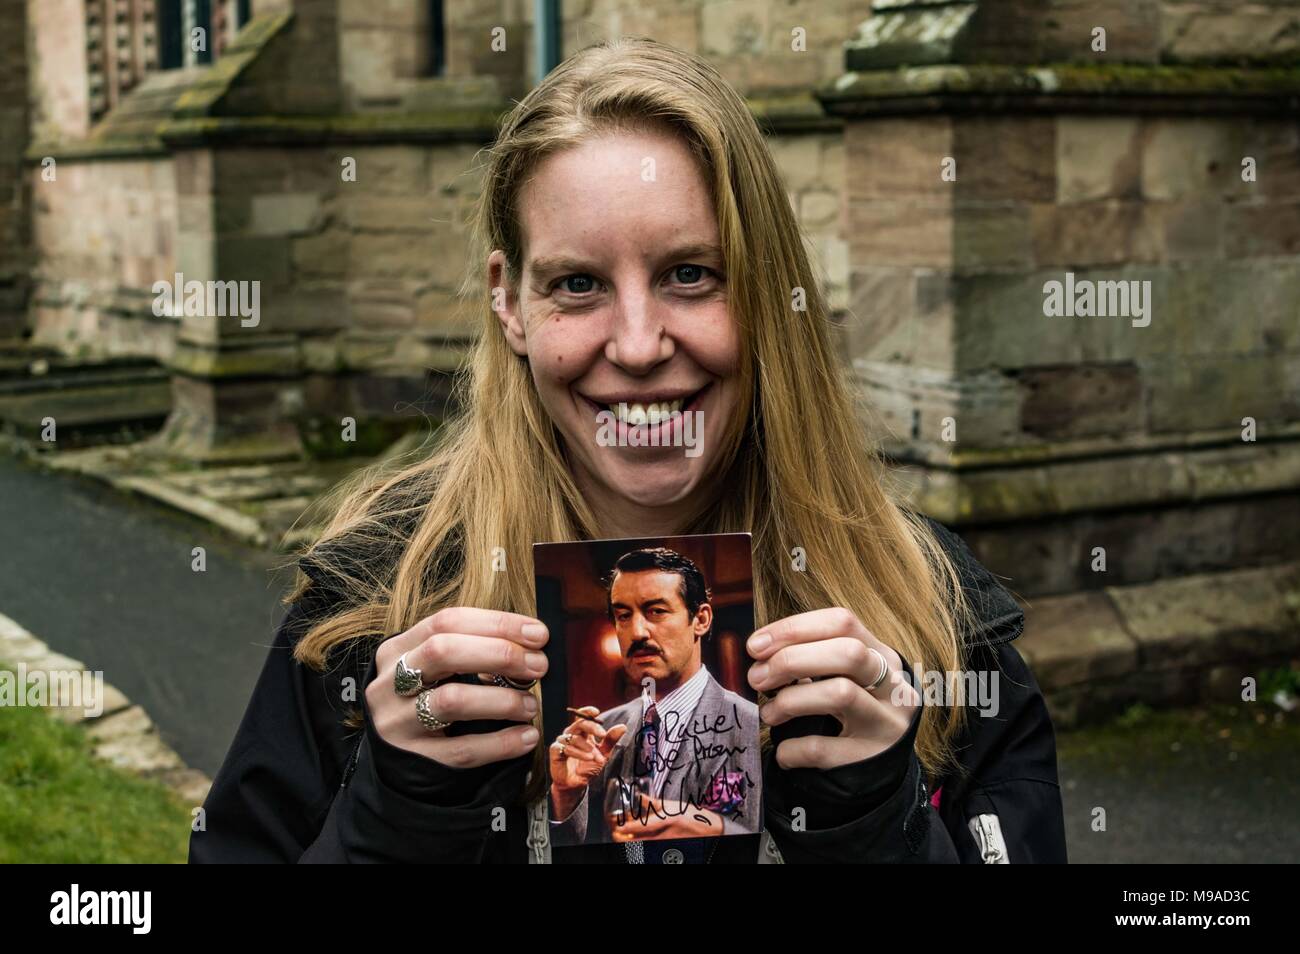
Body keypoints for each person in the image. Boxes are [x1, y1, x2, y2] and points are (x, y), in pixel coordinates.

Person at [190, 36, 1067, 864]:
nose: (640, 345)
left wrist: (883, 827)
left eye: (692, 273)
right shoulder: (375, 609)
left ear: (765, 288)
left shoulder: (932, 615)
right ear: (510, 302)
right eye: (578, 284)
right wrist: (395, 817)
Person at [548, 547, 762, 848]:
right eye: (623, 615)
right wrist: (565, 794)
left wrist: (718, 833)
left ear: (700, 619)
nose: (637, 632)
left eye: (656, 611)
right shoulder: (603, 731)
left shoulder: (752, 725)